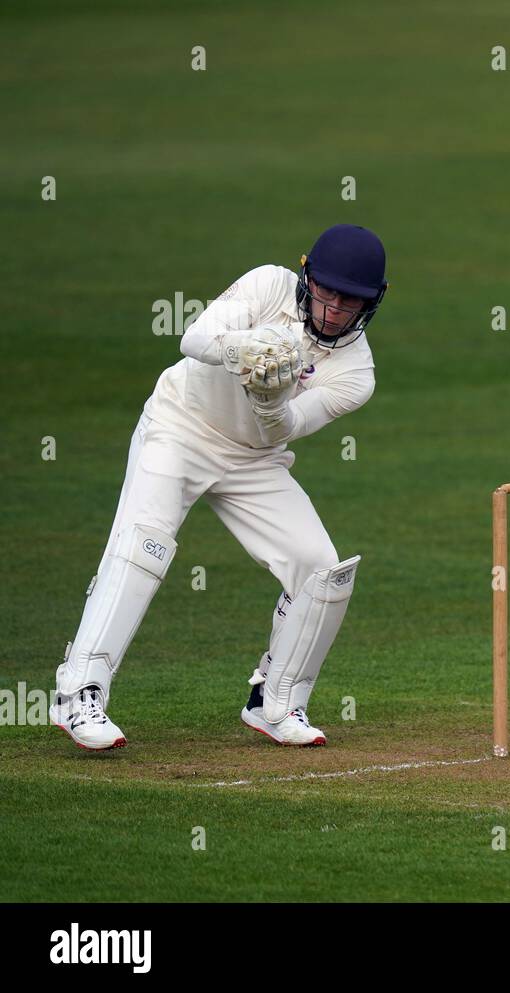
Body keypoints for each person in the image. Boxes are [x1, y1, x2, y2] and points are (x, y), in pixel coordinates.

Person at [52, 224, 387, 750]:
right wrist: (252, 348)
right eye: (327, 290)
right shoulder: (268, 285)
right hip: (180, 426)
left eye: (350, 300)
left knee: (321, 571)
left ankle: (275, 703)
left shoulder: (355, 374)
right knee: (145, 547)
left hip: (255, 459)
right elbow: (194, 339)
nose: (334, 307)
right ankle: (79, 694)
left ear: (370, 305)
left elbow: (286, 428)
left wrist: (272, 398)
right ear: (307, 277)